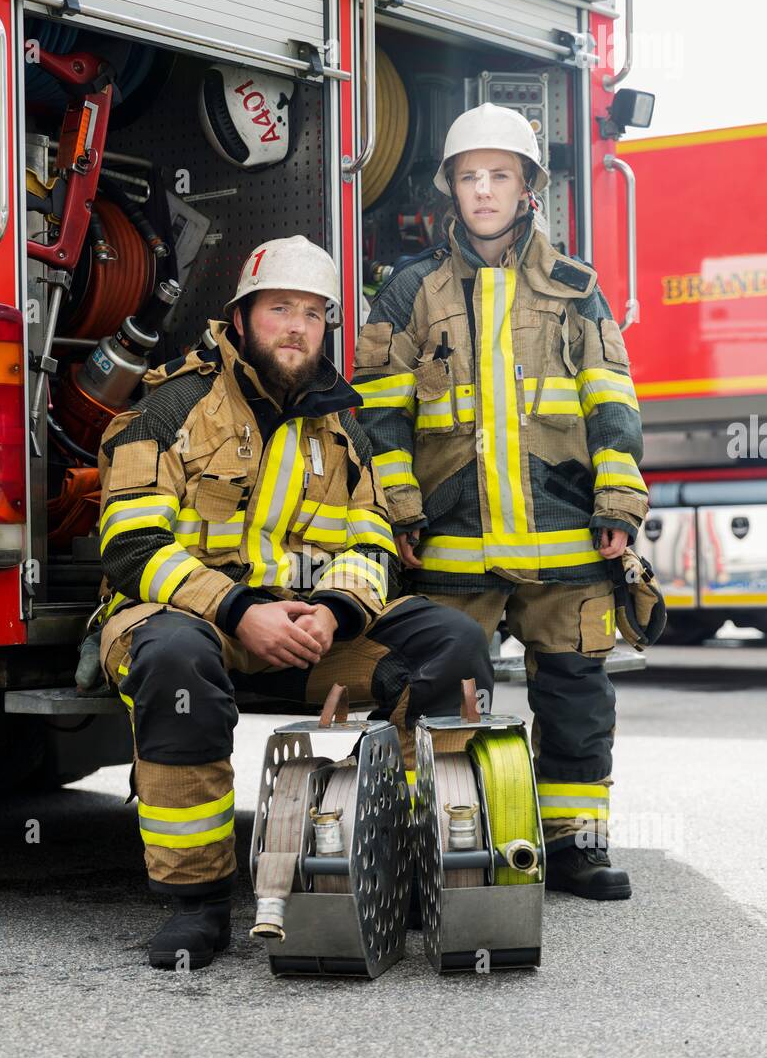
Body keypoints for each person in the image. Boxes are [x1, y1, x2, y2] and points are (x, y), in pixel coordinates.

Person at [96, 235, 493, 968]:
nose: (297, 327)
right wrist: (239, 610)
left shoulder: (342, 432)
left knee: (453, 647)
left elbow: (374, 546)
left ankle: (399, 859)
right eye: (281, 308)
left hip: (310, 636)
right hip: (194, 624)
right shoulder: (168, 410)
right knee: (175, 660)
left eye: (314, 314)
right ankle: (199, 901)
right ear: (241, 317)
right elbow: (130, 545)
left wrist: (335, 612)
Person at [353, 104, 649, 901]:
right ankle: (436, 840)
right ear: (450, 188)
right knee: (441, 694)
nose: (484, 190)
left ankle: (576, 847)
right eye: (469, 176)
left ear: (528, 189)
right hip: (450, 540)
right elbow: (381, 415)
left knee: (577, 693)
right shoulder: (407, 293)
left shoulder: (577, 291)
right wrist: (401, 510)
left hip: (566, 537)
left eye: (501, 176)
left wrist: (618, 501)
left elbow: (612, 404)